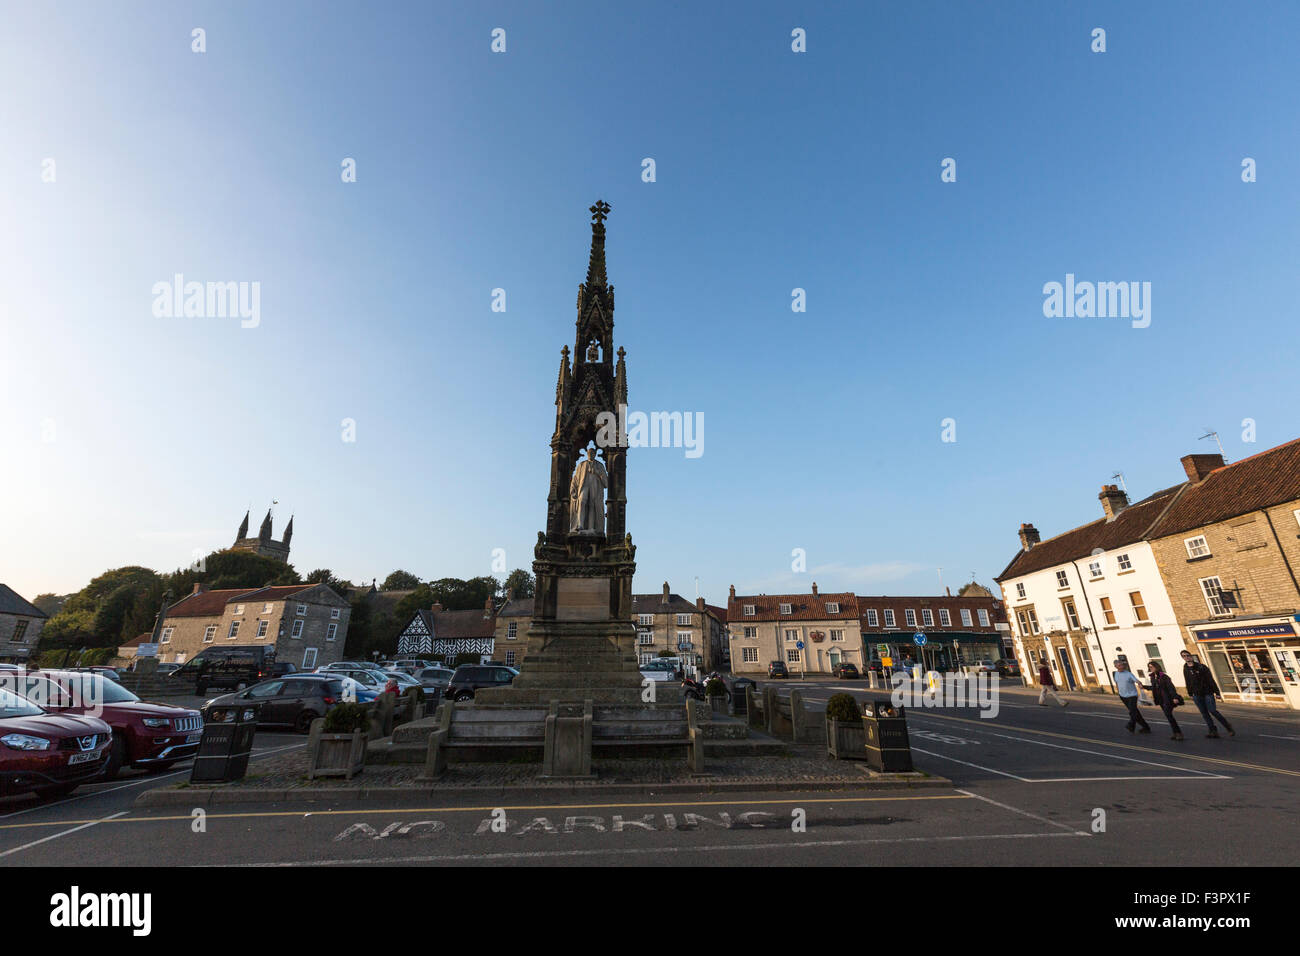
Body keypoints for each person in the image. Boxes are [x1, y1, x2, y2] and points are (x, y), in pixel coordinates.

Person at [1180, 649, 1235, 738]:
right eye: (1184, 656)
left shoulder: (1201, 667)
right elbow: (1188, 681)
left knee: (1212, 710)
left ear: (1191, 656)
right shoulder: (1185, 668)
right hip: (1196, 694)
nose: (1186, 657)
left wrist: (1216, 692)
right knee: (1204, 713)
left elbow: (1210, 680)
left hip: (1207, 692)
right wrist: (1190, 693)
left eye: (1187, 655)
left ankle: (1228, 727)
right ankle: (1213, 731)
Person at [1141, 661, 1183, 740]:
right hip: (1160, 700)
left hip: (1167, 699)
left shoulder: (1164, 676)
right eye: (1149, 667)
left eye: (1152, 667)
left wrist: (1175, 697)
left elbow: (1171, 688)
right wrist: (1143, 686)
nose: (1151, 668)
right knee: (1169, 716)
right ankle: (1176, 733)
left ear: (1157, 667)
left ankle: (1178, 733)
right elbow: (1154, 688)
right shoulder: (1153, 677)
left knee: (1169, 716)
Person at [1112, 659, 1151, 733]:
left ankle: (1131, 724)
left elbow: (1136, 680)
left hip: (1132, 695)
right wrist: (1118, 692)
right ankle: (1145, 727)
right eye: (1120, 665)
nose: (1122, 666)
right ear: (1116, 666)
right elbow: (1117, 682)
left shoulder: (1128, 673)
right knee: (1135, 712)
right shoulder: (1115, 674)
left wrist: (1139, 683)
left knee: (1133, 712)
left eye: (1122, 665)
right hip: (1123, 696)